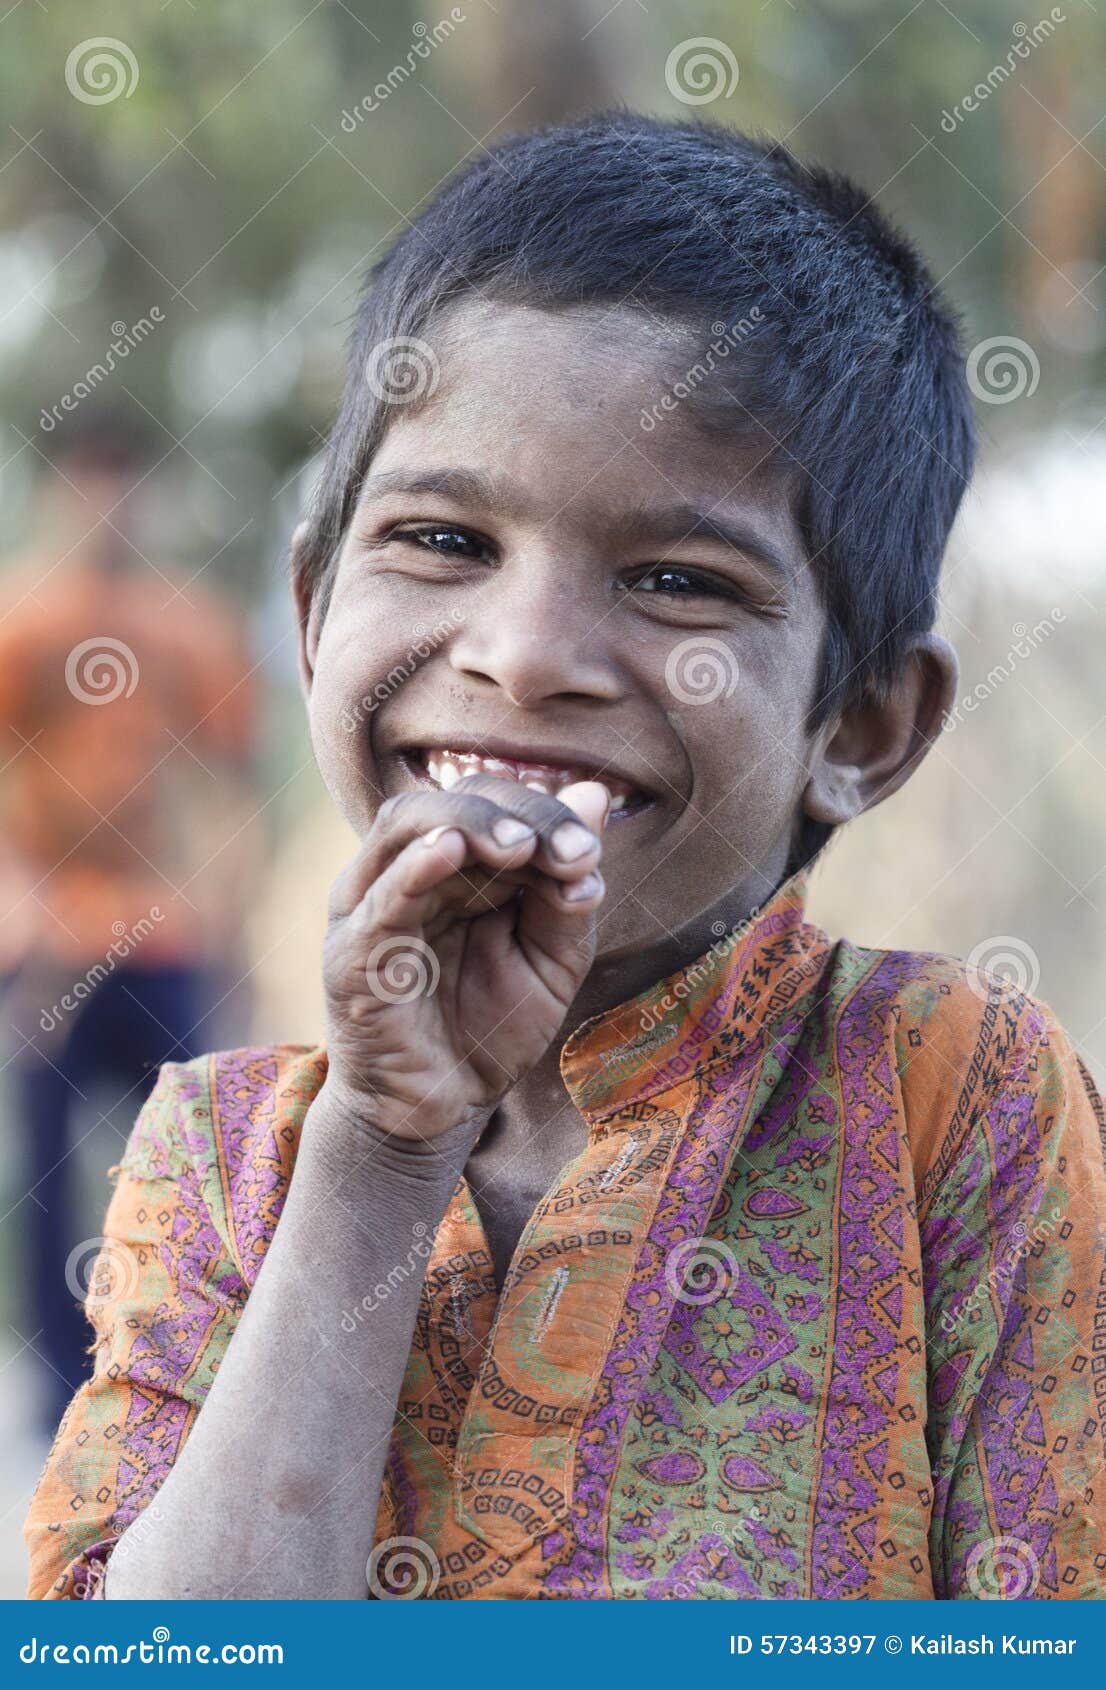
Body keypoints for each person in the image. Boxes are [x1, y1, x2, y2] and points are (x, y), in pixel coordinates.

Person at [25, 115, 1106, 1601]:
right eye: (443, 542)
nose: (524, 658)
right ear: (313, 611)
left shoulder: (949, 1090)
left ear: (861, 720)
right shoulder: (220, 1160)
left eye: (677, 579)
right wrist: (379, 1153)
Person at [0, 419, 257, 1435]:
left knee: (191, 1161)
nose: (110, 505)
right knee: (51, 1173)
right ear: (64, 491)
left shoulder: (190, 626)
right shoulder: (23, 618)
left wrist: (232, 934)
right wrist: (21, 908)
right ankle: (57, 1393)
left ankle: (179, 1376)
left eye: (128, 482)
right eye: (91, 482)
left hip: (165, 940)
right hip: (48, 943)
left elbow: (230, 791)